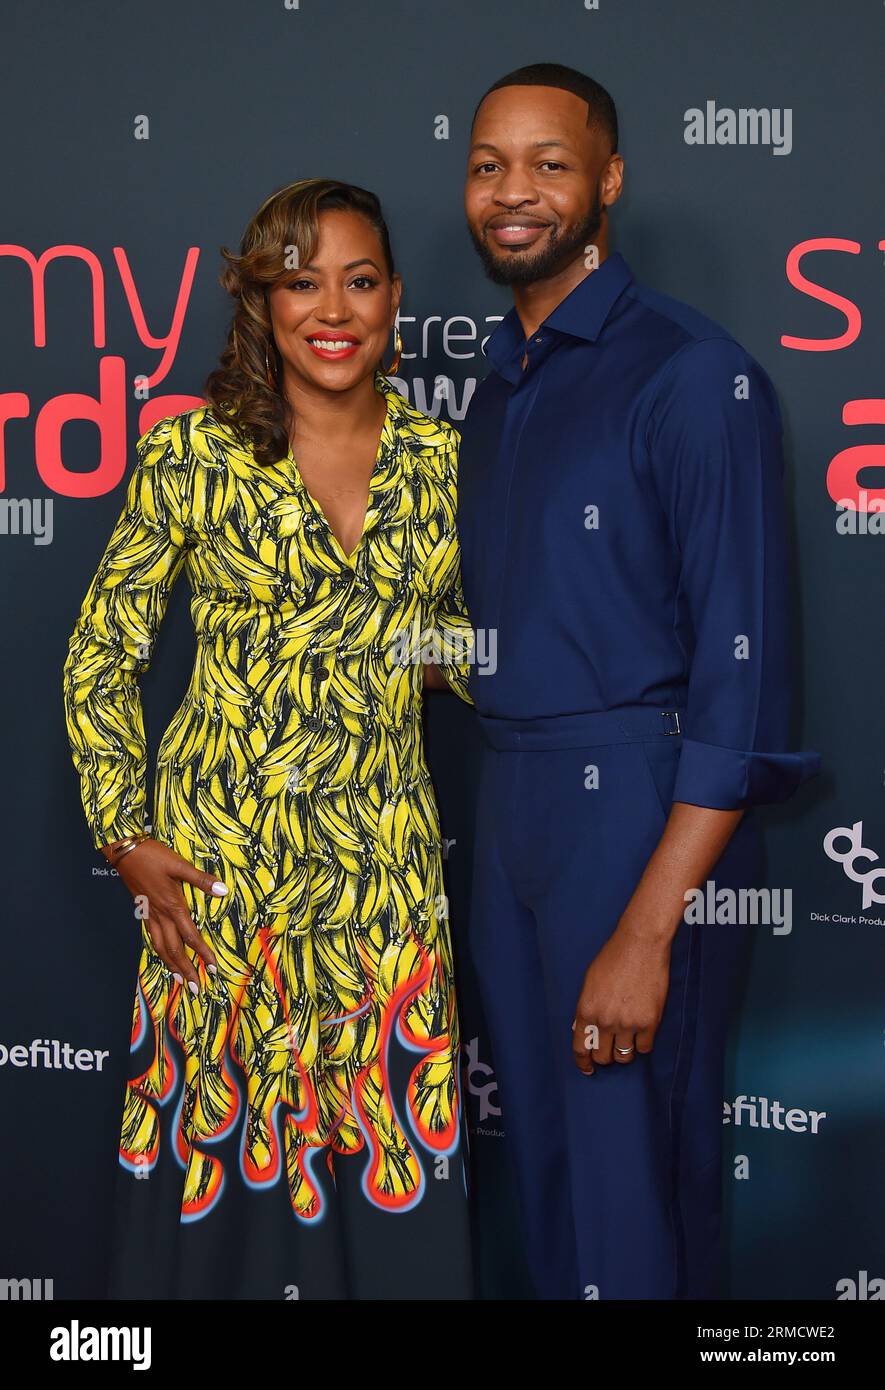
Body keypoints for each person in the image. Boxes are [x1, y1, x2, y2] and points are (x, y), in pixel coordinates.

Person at [62, 177, 475, 1300]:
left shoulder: (444, 462)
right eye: (301, 282)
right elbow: (106, 649)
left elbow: (475, 653)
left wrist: (428, 654)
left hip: (383, 882)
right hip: (220, 882)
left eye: (358, 279)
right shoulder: (192, 454)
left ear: (395, 297)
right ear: (262, 299)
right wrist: (123, 833)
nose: (331, 309)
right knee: (217, 1179)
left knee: (389, 1162)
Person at [456, 63, 820, 1300]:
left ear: (608, 182)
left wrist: (649, 926)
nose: (515, 193)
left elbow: (744, 684)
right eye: (490, 164)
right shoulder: (497, 391)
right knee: (550, 1178)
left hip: (642, 815)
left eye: (549, 164)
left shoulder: (692, 376)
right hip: (512, 809)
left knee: (632, 1185)